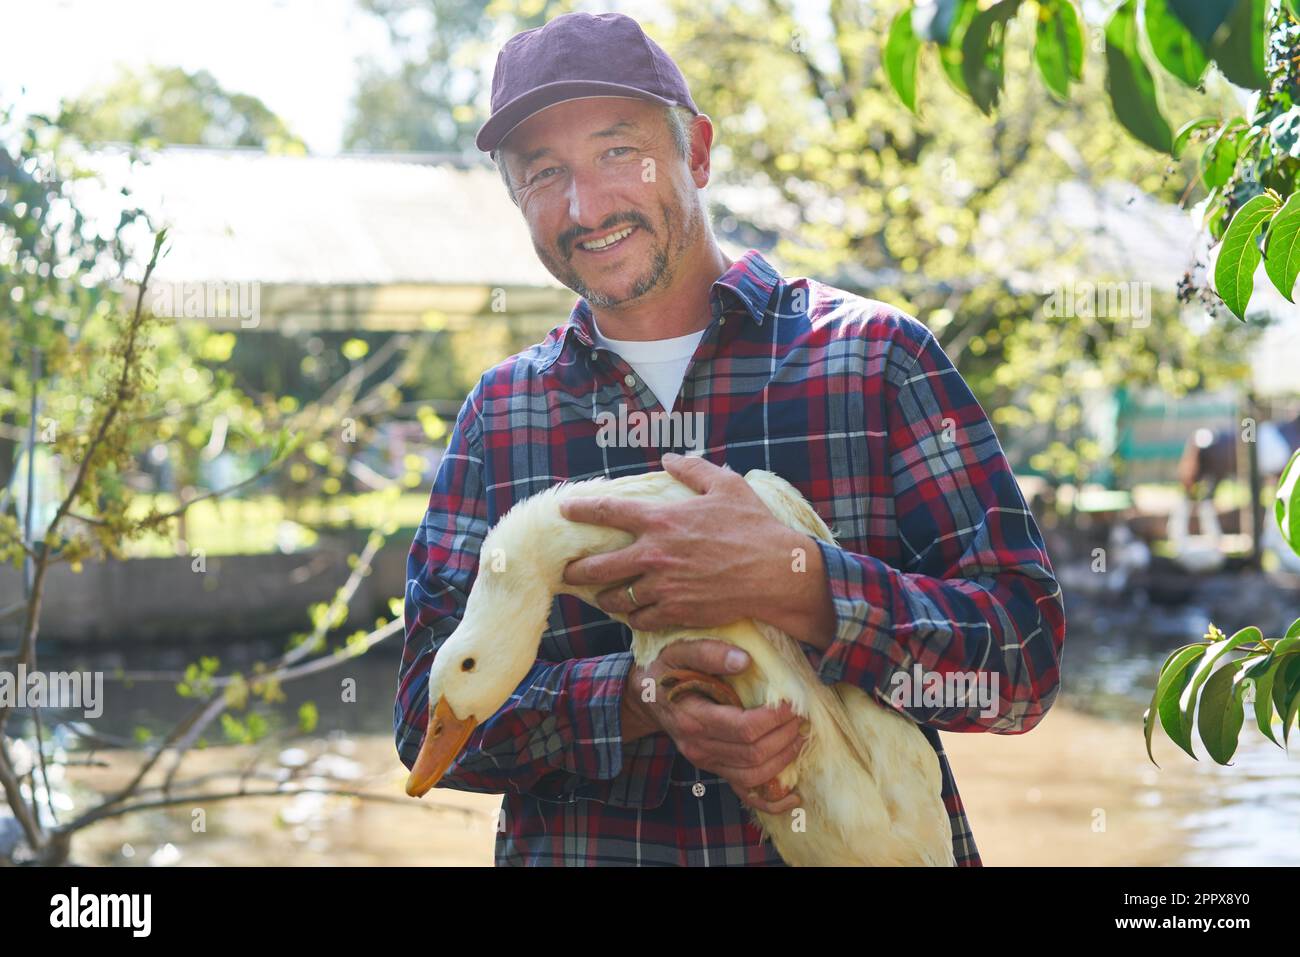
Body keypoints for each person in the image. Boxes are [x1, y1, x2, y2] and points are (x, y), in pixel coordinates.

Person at [395, 11, 1066, 866]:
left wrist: (799, 584)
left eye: (618, 152)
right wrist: (640, 696)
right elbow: (426, 720)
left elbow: (1023, 667)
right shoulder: (502, 416)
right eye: (544, 172)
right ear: (516, 196)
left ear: (698, 153)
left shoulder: (879, 360)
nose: (585, 204)